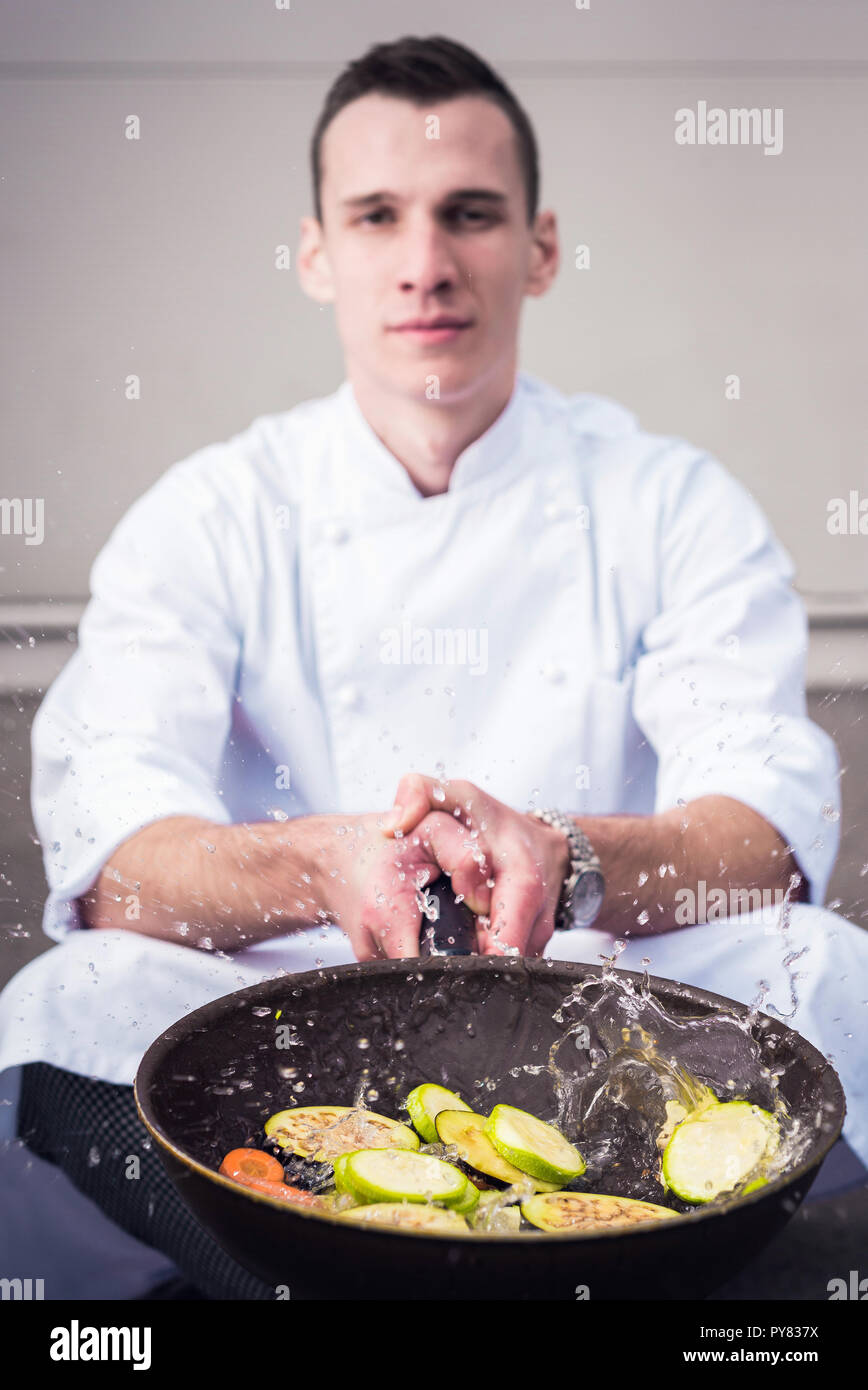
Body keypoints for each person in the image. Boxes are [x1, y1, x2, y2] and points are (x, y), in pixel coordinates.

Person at [1, 35, 865, 1300]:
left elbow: (766, 838)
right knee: (70, 992)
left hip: (592, 997)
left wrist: (565, 856)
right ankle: (280, 1261)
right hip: (280, 1006)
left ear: (540, 245)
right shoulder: (214, 512)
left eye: (469, 213)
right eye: (376, 216)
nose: (425, 263)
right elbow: (117, 860)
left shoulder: (669, 499)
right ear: (316, 253)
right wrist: (324, 859)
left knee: (822, 965)